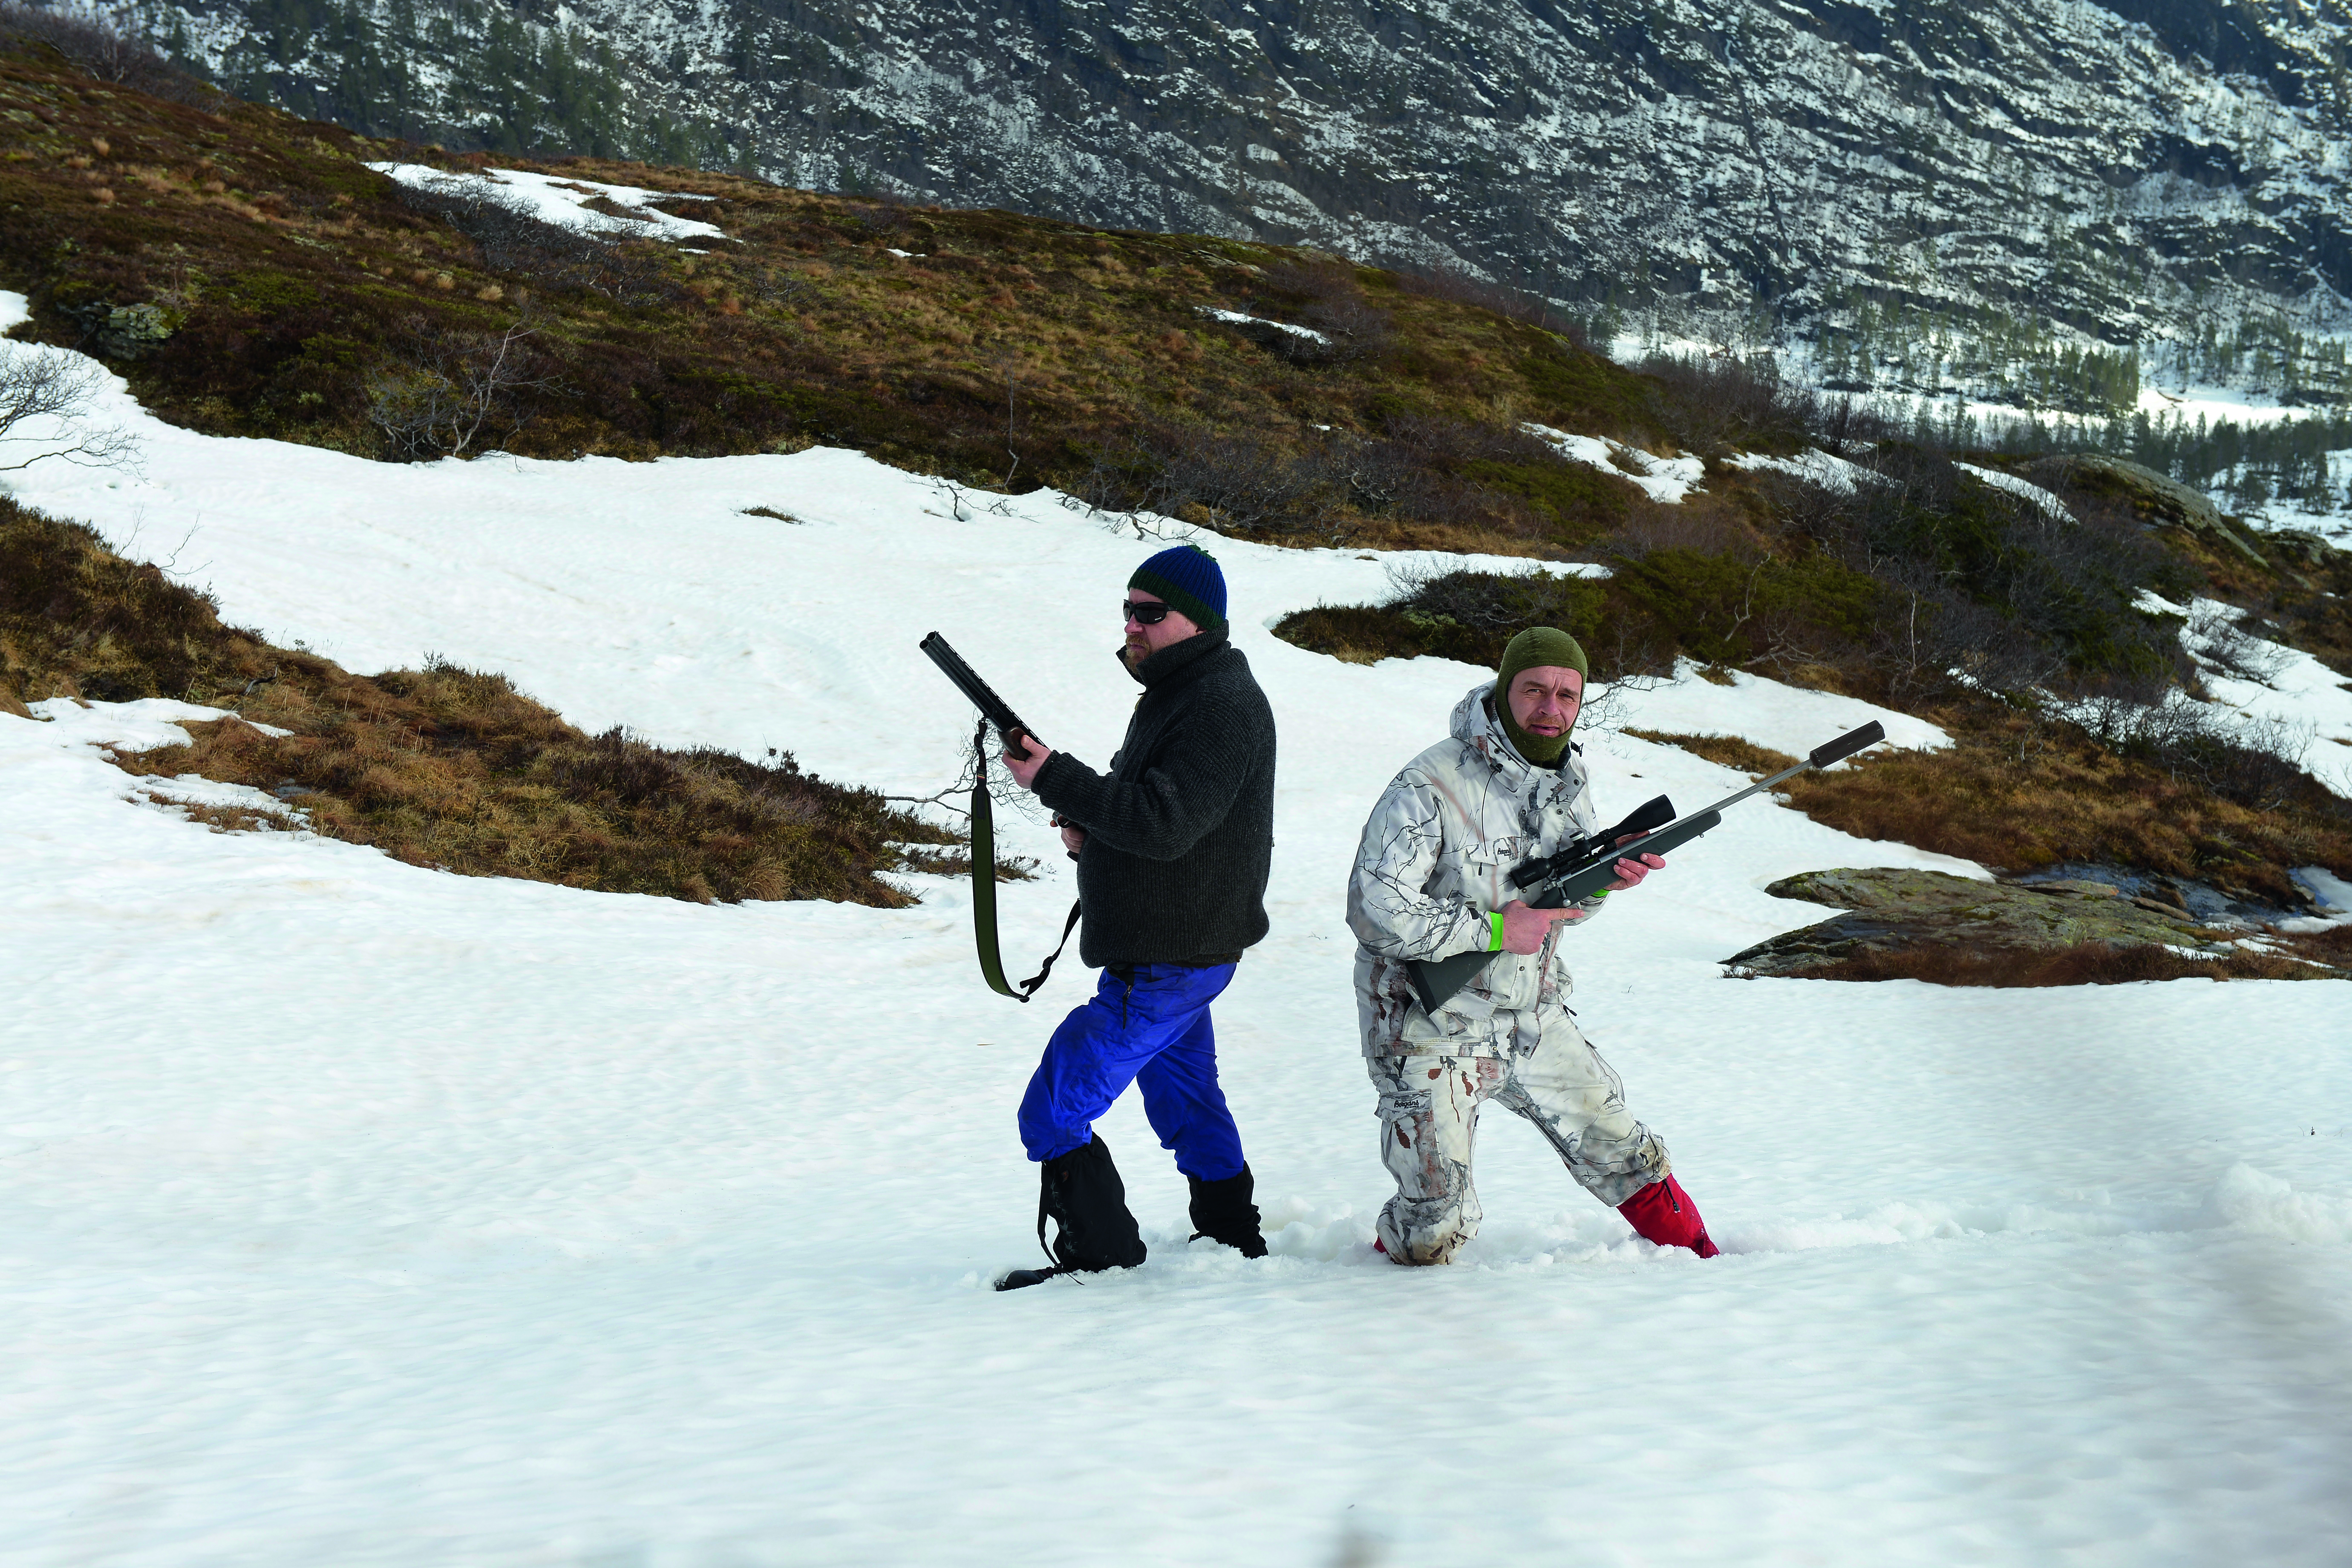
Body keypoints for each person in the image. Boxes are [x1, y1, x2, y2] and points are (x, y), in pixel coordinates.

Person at [1345, 626, 1720, 1264]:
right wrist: (1493, 930)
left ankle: (1709, 1269)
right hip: (1428, 1024)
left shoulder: (1568, 783)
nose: (1552, 709)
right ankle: (1382, 1297)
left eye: (1568, 696)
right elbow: (1374, 909)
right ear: (1504, 690)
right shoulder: (1429, 783)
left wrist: (1606, 883)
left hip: (1531, 1016)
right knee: (1439, 1220)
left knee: (1627, 1154)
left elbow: (1561, 910)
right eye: (1536, 690)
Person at [992, 543, 1278, 1289]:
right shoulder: (1183, 691)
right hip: (1182, 952)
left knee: (1054, 1106)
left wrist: (1056, 776)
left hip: (1170, 960)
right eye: (1128, 610)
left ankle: (1101, 1258)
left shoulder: (1218, 703)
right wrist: (1090, 834)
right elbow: (1170, 824)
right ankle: (1232, 1239)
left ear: (1202, 623)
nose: (1134, 625)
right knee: (1187, 1098)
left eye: (1152, 613)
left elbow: (1164, 823)